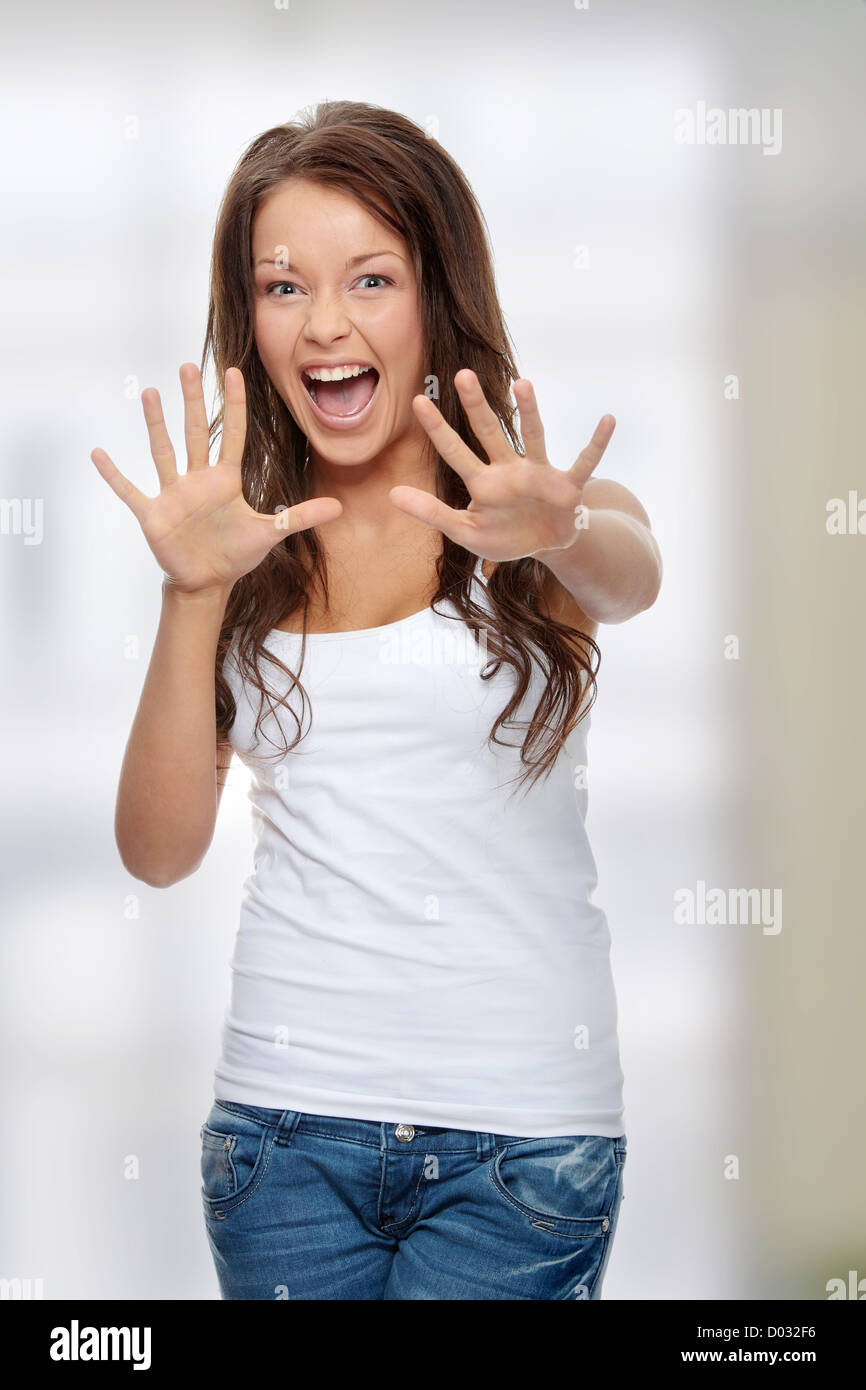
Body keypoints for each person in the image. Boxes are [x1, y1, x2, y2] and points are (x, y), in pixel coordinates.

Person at [92, 100, 662, 1301]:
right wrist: (190, 593)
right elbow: (156, 852)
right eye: (283, 287)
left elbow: (632, 573)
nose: (327, 324)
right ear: (247, 317)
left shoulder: (533, 511)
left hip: (522, 1144)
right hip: (282, 1139)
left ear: (434, 295)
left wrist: (558, 530)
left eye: (371, 279)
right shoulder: (239, 547)